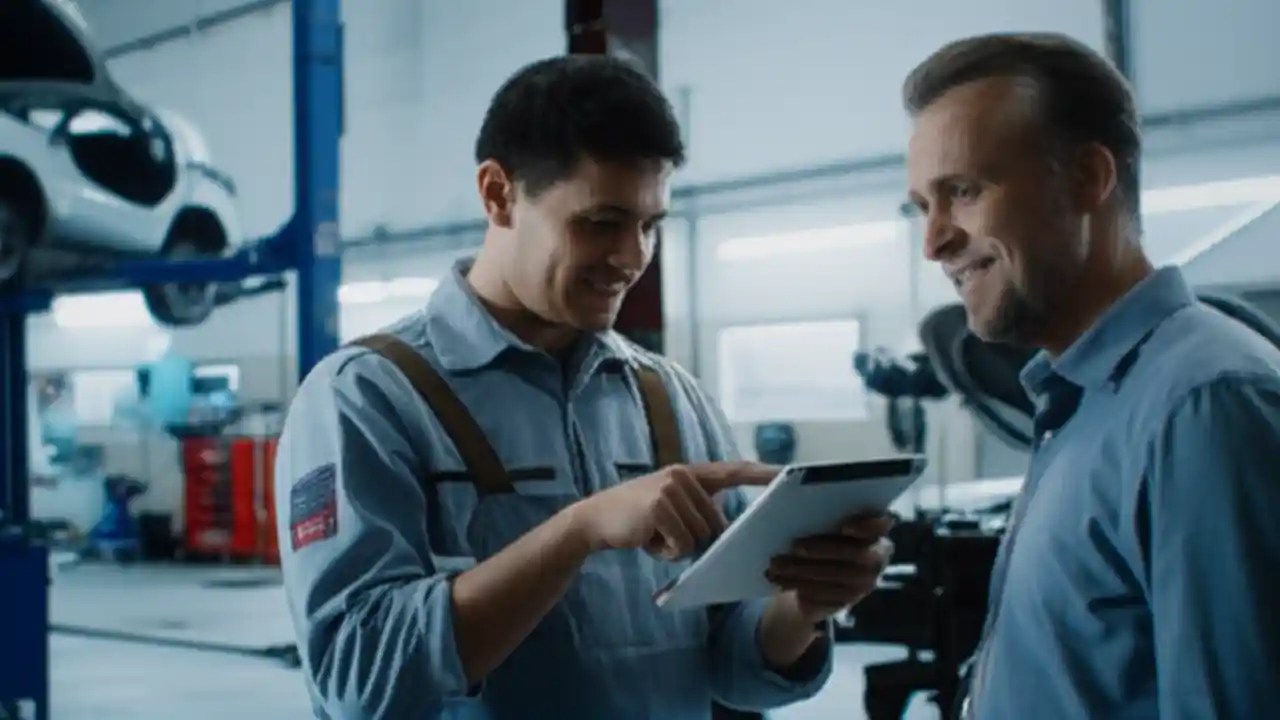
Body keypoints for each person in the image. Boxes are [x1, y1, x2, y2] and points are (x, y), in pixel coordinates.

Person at [274, 54, 895, 720]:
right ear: (498, 194)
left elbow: (733, 667)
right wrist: (577, 531)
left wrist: (800, 607)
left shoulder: (669, 399)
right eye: (601, 223)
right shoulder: (368, 399)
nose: (632, 259)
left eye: (650, 226)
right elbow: (359, 678)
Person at [902, 32, 1280, 719]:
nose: (934, 242)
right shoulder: (1082, 401)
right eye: (921, 207)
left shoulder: (1201, 405)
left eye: (963, 191)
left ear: (1087, 179)